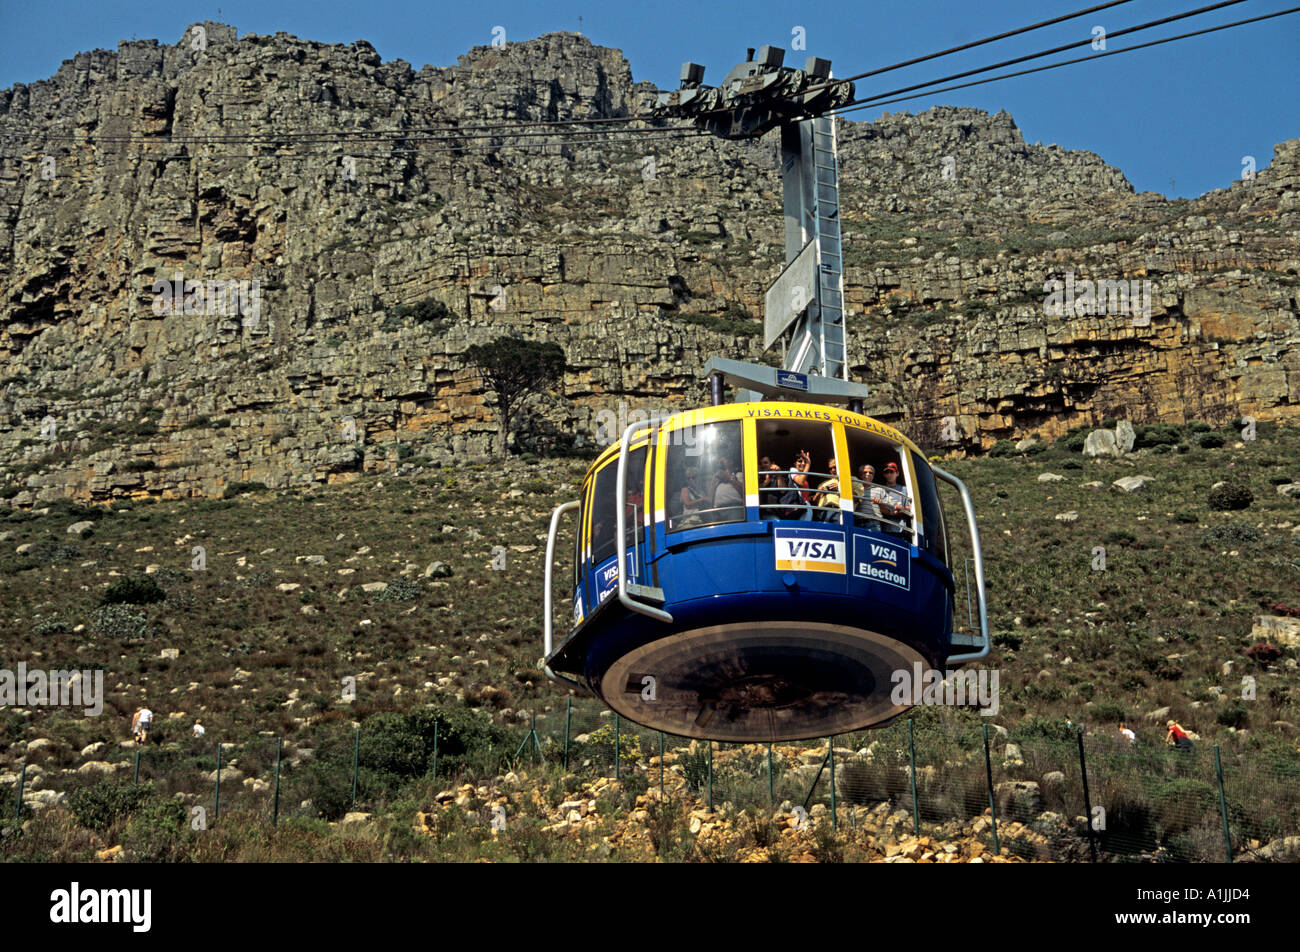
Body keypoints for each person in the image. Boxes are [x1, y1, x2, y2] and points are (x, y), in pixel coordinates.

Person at [873, 462, 913, 538]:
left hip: (900, 530)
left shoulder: (904, 490)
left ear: (897, 473)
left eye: (891, 472)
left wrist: (902, 509)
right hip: (883, 529)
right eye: (886, 472)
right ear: (884, 475)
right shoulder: (880, 489)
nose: (889, 475)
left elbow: (909, 508)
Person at [854, 463, 883, 530]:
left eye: (870, 473)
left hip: (873, 523)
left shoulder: (880, 489)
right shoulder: (855, 488)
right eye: (865, 472)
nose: (868, 474)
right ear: (860, 475)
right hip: (856, 523)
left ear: (873, 476)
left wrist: (880, 503)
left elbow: (888, 510)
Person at [814, 456, 841, 522]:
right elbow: (815, 502)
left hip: (837, 511)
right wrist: (819, 493)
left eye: (835, 467)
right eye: (830, 468)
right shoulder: (823, 484)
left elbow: (856, 497)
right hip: (822, 512)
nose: (833, 470)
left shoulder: (849, 480)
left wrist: (839, 489)